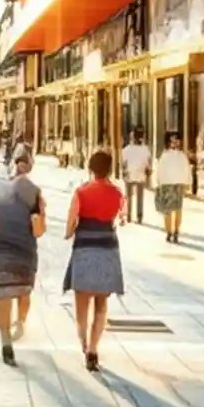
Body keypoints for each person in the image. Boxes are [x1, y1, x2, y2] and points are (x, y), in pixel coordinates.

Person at [64, 151, 125, 372]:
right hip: (107, 248)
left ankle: (83, 342)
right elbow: (120, 216)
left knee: (82, 300)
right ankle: (93, 348)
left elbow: (71, 222)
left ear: (91, 168)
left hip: (85, 247)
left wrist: (69, 232)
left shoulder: (81, 192)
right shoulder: (117, 193)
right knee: (101, 303)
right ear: (109, 169)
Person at [0, 153, 44, 367]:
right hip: (24, 250)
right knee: (23, 291)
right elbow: (39, 230)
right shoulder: (35, 193)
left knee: (3, 296)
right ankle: (20, 323)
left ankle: (5, 341)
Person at [155, 132, 192, 243]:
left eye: (177, 141)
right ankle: (168, 231)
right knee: (168, 210)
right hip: (167, 185)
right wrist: (159, 182)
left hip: (178, 185)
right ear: (169, 142)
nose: (175, 143)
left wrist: (187, 183)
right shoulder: (165, 155)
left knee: (178, 209)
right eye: (172, 141)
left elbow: (187, 170)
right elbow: (159, 170)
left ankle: (176, 230)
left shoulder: (182, 156)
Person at [121, 129, 152, 225]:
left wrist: (124, 172)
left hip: (129, 174)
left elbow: (123, 163)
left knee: (128, 196)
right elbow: (148, 163)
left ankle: (129, 215)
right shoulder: (145, 149)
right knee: (140, 196)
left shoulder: (126, 149)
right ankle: (139, 216)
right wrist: (148, 173)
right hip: (140, 175)